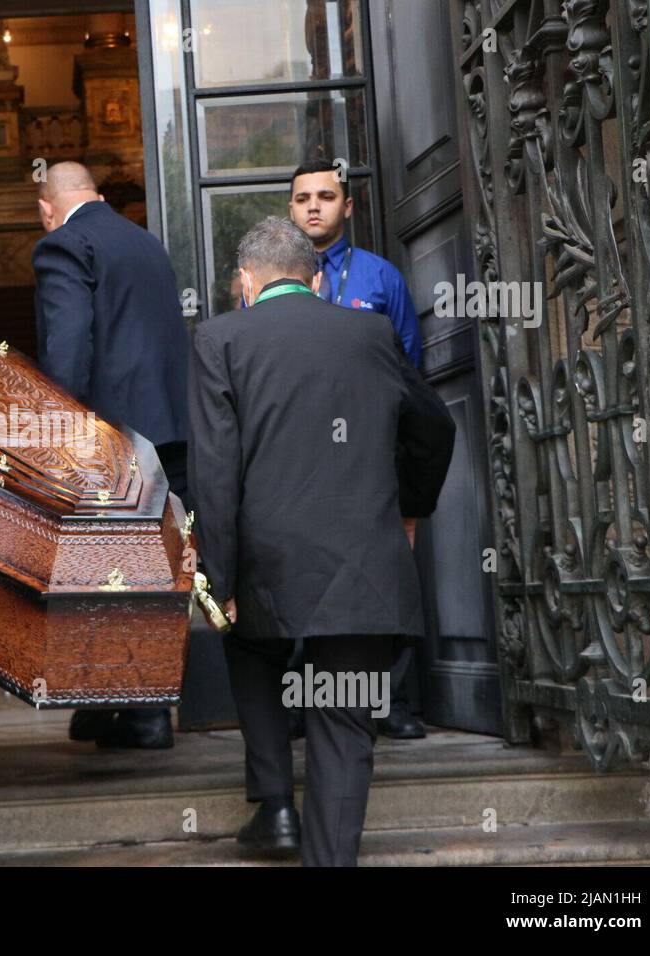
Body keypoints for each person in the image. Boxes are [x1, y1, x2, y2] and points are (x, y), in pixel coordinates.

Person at [188, 217, 454, 866]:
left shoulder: (218, 337)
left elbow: (214, 472)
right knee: (344, 724)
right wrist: (411, 512)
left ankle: (276, 802)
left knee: (252, 651)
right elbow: (434, 428)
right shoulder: (369, 331)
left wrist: (218, 583)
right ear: (316, 281)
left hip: (263, 558)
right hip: (363, 561)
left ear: (245, 284)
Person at [32, 160, 189, 750]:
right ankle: (121, 707)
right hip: (168, 436)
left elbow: (68, 350)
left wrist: (59, 430)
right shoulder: (147, 243)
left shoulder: (63, 245)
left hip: (109, 444)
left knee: (99, 576)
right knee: (150, 571)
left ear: (47, 207)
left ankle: (129, 710)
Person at [289, 156, 429, 739]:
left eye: (326, 196)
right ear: (290, 209)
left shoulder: (380, 277)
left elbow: (411, 368)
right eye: (303, 198)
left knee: (384, 574)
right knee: (303, 573)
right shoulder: (272, 281)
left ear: (348, 206)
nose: (314, 205)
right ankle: (302, 702)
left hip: (372, 454)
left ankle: (389, 702)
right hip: (299, 457)